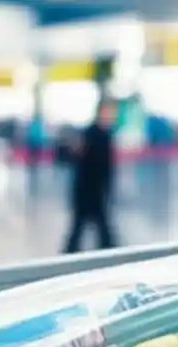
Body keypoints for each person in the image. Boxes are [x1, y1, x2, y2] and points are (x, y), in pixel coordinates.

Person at [64, 100, 118, 253]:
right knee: (84, 224)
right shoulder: (90, 134)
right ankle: (108, 251)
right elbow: (79, 158)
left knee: (98, 226)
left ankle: (107, 250)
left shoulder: (106, 135)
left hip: (98, 189)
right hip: (87, 189)